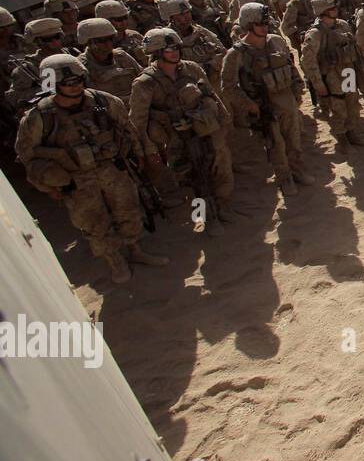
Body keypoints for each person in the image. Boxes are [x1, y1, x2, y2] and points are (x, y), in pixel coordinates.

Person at [14, 53, 169, 283]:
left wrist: (138, 155)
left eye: (78, 80)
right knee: (94, 223)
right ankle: (115, 261)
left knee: (128, 210)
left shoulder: (103, 101)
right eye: (67, 83)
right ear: (54, 85)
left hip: (111, 169)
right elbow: (27, 154)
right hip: (77, 180)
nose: (75, 87)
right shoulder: (39, 117)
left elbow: (127, 129)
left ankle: (134, 250)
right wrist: (49, 186)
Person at [129, 27, 235, 230]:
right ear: (157, 53)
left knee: (221, 169)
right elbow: (137, 121)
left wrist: (224, 120)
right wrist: (148, 151)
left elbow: (211, 95)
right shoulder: (145, 83)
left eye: (177, 47)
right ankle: (204, 219)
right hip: (176, 138)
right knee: (194, 180)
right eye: (169, 49)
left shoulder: (192, 68)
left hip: (206, 129)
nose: (175, 52)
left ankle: (223, 208)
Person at [221, 2, 314, 196]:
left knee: (294, 140)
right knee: (276, 145)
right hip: (264, 107)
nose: (264, 27)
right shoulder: (236, 54)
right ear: (248, 25)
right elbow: (228, 87)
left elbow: (290, 67)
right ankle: (284, 178)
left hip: (286, 100)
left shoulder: (276, 41)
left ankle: (298, 170)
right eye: (259, 24)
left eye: (266, 23)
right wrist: (249, 105)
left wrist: (297, 91)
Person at [300, 0, 364, 150]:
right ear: (322, 10)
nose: (335, 9)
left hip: (347, 70)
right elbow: (308, 61)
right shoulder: (315, 34)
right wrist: (318, 83)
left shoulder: (343, 24)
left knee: (351, 100)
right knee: (337, 106)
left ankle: (351, 131)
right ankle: (341, 135)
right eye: (331, 7)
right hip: (331, 74)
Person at [158, 0, 226, 83]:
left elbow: (223, 52)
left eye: (188, 12)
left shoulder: (200, 31)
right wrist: (205, 67)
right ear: (171, 18)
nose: (187, 17)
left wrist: (213, 65)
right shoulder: (166, 40)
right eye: (182, 14)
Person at [77, 17, 142, 101]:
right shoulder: (81, 66)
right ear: (88, 42)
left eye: (111, 39)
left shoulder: (121, 56)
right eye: (102, 40)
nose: (108, 44)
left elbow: (143, 78)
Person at [94, 0, 148, 65]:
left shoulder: (134, 35)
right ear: (105, 21)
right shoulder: (99, 45)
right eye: (118, 20)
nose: (124, 22)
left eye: (125, 17)